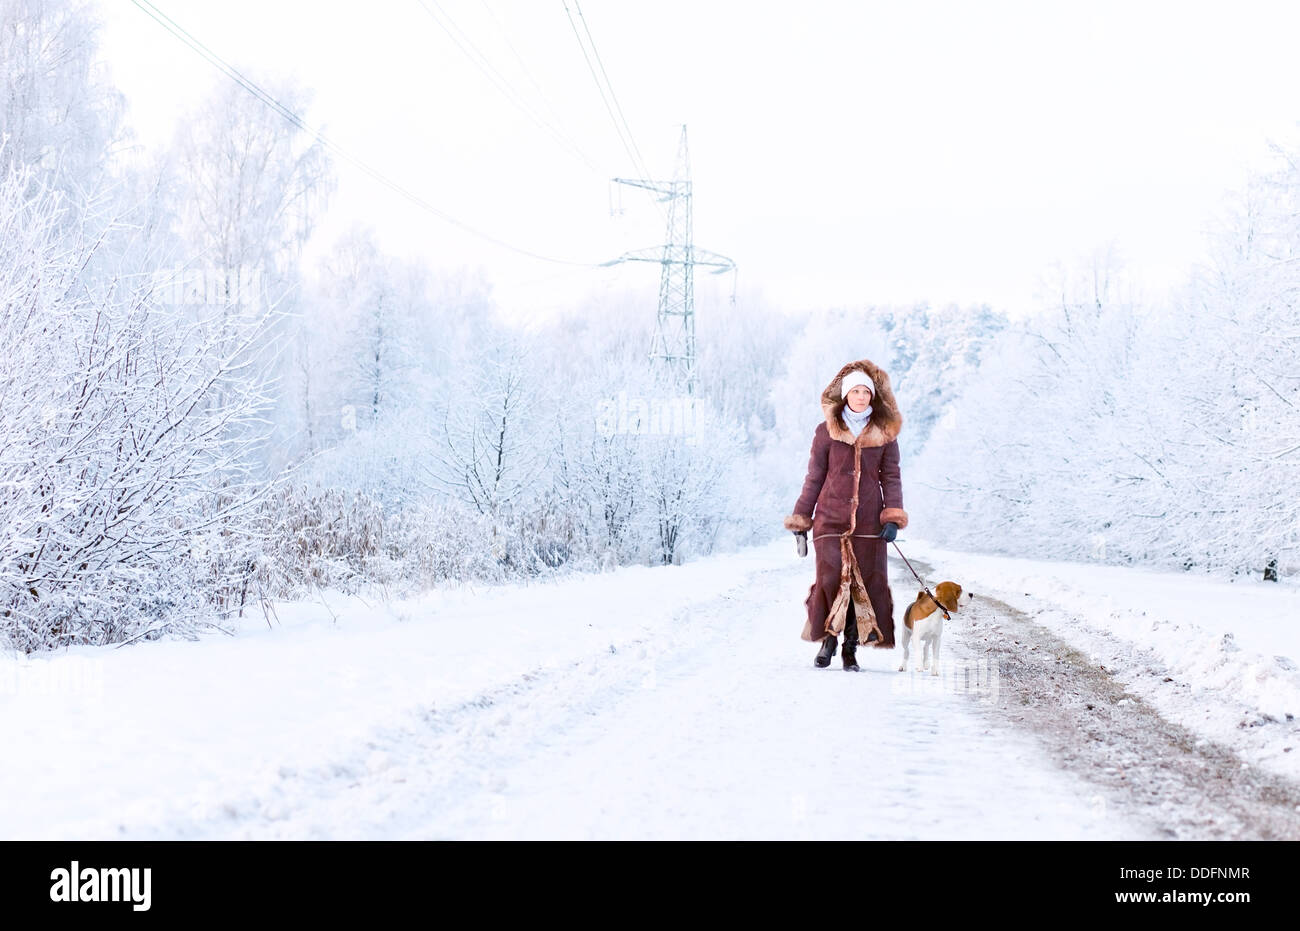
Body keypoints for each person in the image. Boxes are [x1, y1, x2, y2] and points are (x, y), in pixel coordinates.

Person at [783, 359, 909, 670]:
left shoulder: (885, 434)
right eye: (855, 391)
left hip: (868, 522)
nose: (861, 397)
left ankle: (850, 648)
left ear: (873, 396)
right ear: (845, 394)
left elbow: (891, 476)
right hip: (829, 519)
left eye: (866, 391)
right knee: (829, 581)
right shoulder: (825, 432)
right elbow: (814, 477)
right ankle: (828, 641)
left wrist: (892, 517)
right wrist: (802, 518)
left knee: (861, 585)